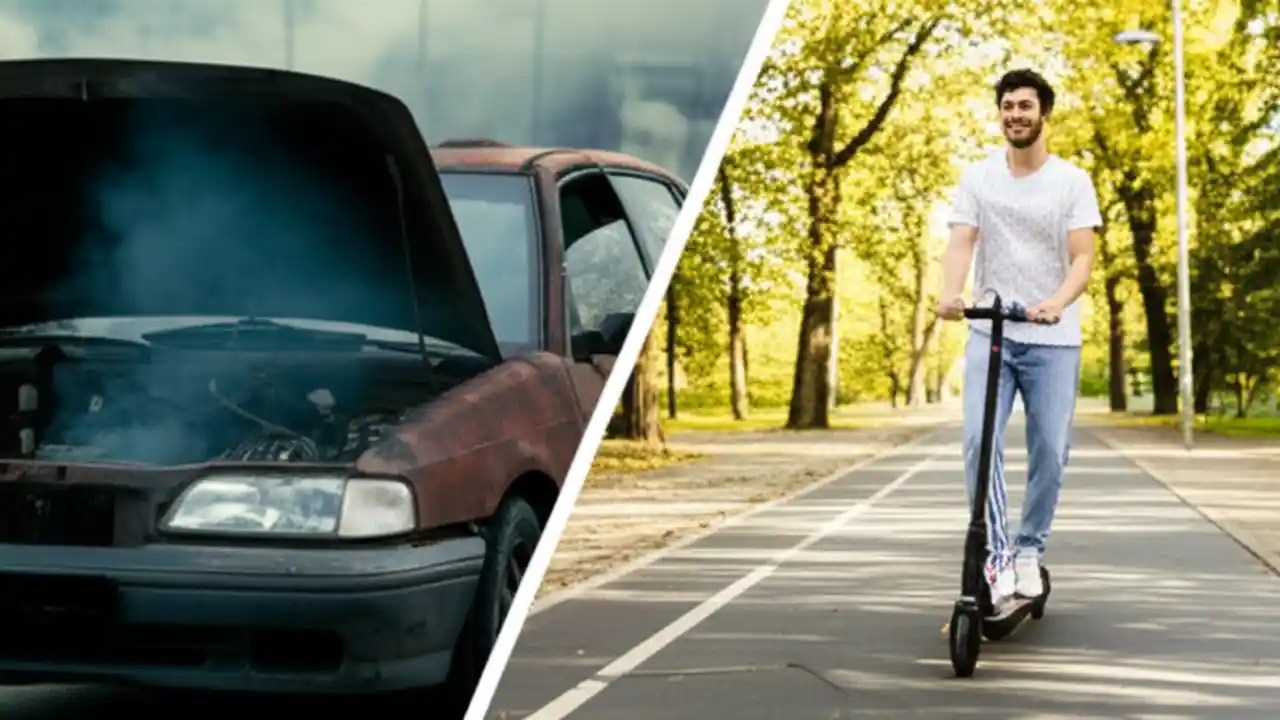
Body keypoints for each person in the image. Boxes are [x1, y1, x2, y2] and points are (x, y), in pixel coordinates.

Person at [937, 68, 1102, 612]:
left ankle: (1029, 550)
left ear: (1044, 113)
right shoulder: (979, 177)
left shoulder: (1071, 182)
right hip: (993, 333)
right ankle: (999, 554)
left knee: (1050, 451)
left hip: (1053, 340)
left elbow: (1083, 256)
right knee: (978, 444)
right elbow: (962, 241)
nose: (1016, 114)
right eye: (1008, 106)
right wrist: (950, 292)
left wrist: (1057, 301)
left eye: (1025, 106)